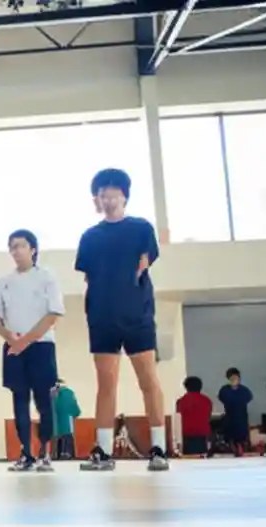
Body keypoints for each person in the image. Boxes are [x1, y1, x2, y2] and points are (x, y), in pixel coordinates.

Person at [74, 168, 169, 472]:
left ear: (124, 195)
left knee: (148, 380)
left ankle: (159, 449)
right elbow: (88, 275)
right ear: (96, 199)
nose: (108, 197)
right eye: (102, 193)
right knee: (106, 384)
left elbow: (145, 261)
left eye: (113, 191)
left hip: (137, 315)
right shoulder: (90, 236)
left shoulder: (141, 228)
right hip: (102, 318)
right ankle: (102, 451)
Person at [0, 230, 64, 472]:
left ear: (32, 249)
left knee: (44, 400)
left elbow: (53, 314)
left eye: (20, 246)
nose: (16, 251)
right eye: (12, 247)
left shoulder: (46, 278)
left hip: (41, 345)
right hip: (13, 346)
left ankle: (45, 452)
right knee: (19, 399)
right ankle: (26, 453)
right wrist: (10, 337)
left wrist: (27, 340)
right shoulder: (4, 281)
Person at [218, 368, 254, 456]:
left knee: (242, 436)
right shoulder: (224, 390)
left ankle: (241, 449)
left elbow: (248, 398)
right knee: (230, 435)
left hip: (241, 416)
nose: (234, 380)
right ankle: (232, 448)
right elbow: (223, 398)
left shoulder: (244, 390)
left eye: (236, 378)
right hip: (230, 416)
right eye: (232, 378)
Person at [176, 376, 213, 457]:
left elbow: (178, 418)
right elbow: (208, 416)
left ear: (186, 387)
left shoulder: (181, 401)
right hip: (203, 434)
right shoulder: (207, 401)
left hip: (186, 435)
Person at [52, 379, 81, 460]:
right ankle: (67, 454)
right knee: (68, 447)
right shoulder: (69, 393)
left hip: (54, 428)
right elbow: (76, 410)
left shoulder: (51, 394)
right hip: (67, 425)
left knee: (57, 449)